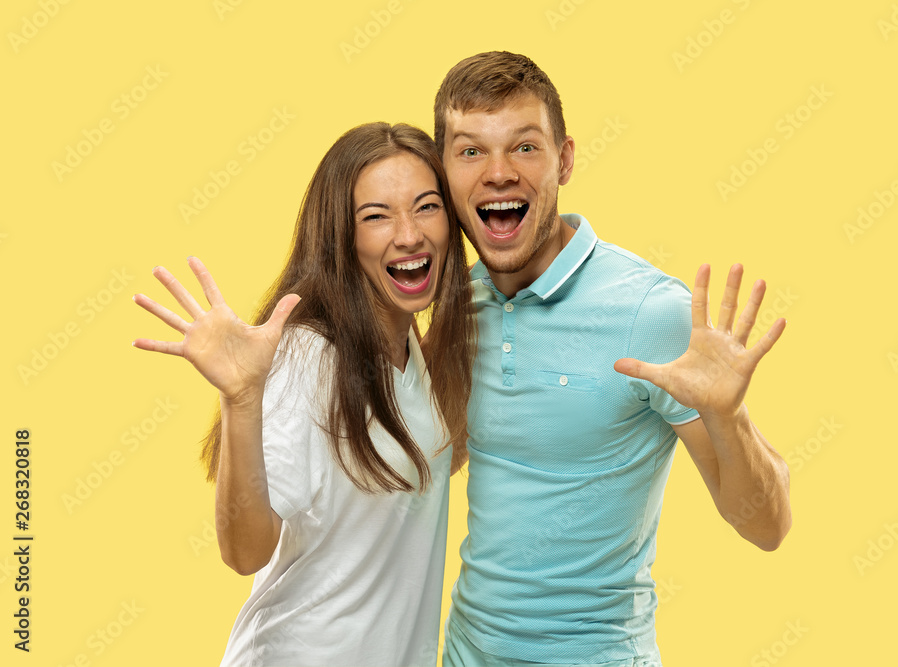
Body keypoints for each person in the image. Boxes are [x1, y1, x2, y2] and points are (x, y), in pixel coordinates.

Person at [433, 52, 794, 666]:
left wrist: (727, 418)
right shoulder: (458, 304)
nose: (498, 173)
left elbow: (767, 527)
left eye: (524, 147)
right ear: (443, 173)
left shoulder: (650, 310)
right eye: (470, 151)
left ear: (565, 159)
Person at [131, 122, 475, 666]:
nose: (408, 234)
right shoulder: (310, 358)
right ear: (342, 237)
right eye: (376, 216)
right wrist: (242, 398)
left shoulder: (403, 335)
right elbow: (245, 551)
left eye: (426, 207)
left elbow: (415, 459)